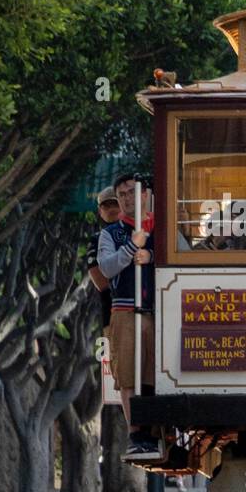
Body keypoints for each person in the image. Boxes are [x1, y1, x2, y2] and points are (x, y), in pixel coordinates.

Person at [98, 171, 158, 459]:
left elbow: (184, 255)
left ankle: (156, 431)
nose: (125, 198)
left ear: (145, 195)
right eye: (120, 194)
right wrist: (132, 247)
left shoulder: (164, 227)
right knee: (128, 373)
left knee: (155, 370)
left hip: (158, 308)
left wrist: (153, 256)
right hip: (123, 309)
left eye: (131, 192)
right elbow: (106, 268)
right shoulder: (109, 233)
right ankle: (135, 433)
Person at [86, 187, 119, 329]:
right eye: (106, 206)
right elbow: (99, 279)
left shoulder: (136, 233)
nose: (111, 209)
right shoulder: (97, 238)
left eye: (114, 204)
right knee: (109, 349)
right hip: (111, 307)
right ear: (100, 211)